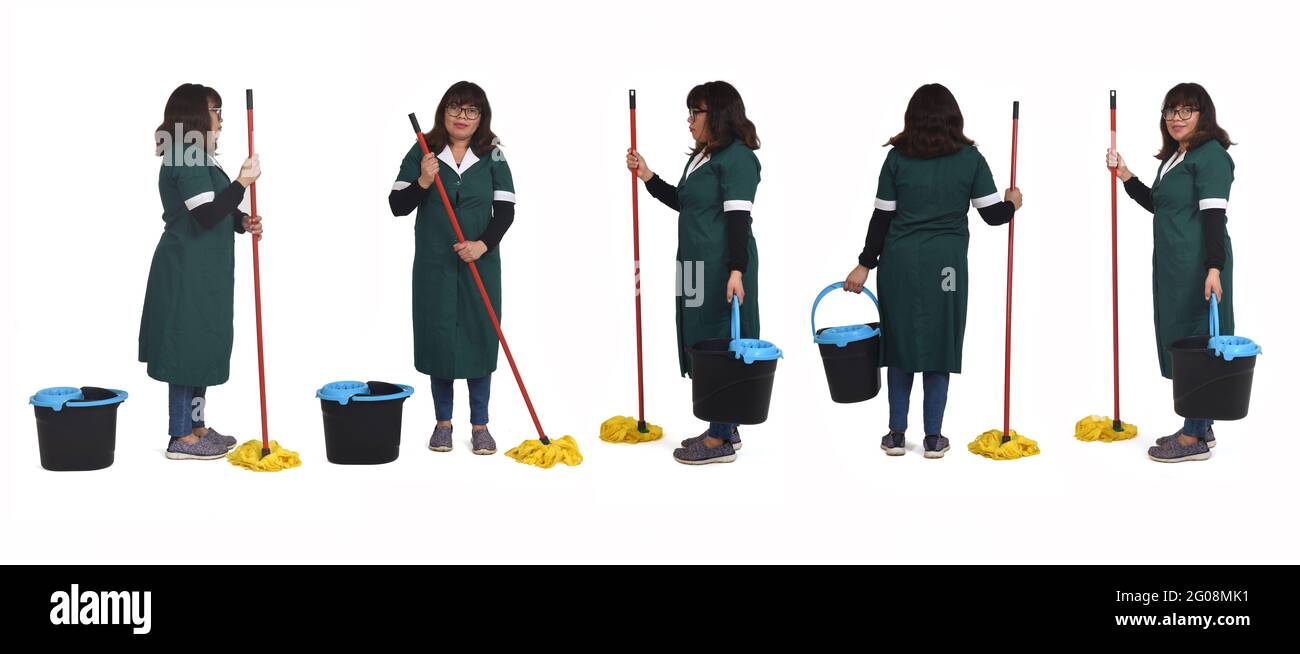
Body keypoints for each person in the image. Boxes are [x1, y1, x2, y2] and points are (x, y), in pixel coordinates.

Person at [842, 83, 1023, 459]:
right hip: (946, 267)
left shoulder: (897, 158)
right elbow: (993, 216)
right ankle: (933, 438)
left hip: (900, 264)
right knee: (940, 340)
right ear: (954, 118)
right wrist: (1013, 203)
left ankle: (895, 434)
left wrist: (864, 264)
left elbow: (881, 217)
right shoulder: (970, 159)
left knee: (900, 343)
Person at [626, 80, 762, 465]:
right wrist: (648, 176)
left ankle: (720, 439)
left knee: (719, 340)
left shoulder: (737, 159)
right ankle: (725, 426)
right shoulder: (702, 157)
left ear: (718, 114)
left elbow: (738, 219)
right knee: (698, 337)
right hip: (691, 265)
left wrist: (737, 270)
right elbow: (685, 203)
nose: (689, 120)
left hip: (721, 267)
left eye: (695, 112)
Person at [1109, 82, 1236, 463]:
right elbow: (1161, 205)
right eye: (1170, 111)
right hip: (1172, 266)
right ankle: (1203, 425)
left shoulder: (1210, 156)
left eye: (1186, 111)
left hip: (1198, 266)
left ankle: (1192, 436)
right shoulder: (1175, 157)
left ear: (1203, 114)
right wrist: (1127, 175)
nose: (1176, 119)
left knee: (1197, 341)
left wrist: (1214, 268)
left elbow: (1214, 216)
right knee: (1185, 338)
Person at [389, 81, 516, 456]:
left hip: (480, 263)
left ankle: (481, 425)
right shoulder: (423, 150)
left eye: (472, 111)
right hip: (435, 265)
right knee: (440, 339)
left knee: (480, 335)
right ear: (443, 112)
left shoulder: (492, 153)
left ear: (482, 118)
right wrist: (424, 181)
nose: (463, 117)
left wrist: (482, 245)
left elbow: (506, 209)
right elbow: (397, 205)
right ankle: (443, 423)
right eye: (455, 108)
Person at [140, 83, 263, 460]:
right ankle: (180, 437)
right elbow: (205, 213)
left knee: (202, 345)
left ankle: (198, 426)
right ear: (194, 113)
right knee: (185, 345)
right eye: (216, 110)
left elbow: (217, 209)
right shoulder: (183, 153)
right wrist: (242, 183)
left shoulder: (201, 157)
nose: (221, 119)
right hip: (186, 268)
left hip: (207, 270)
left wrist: (242, 220)